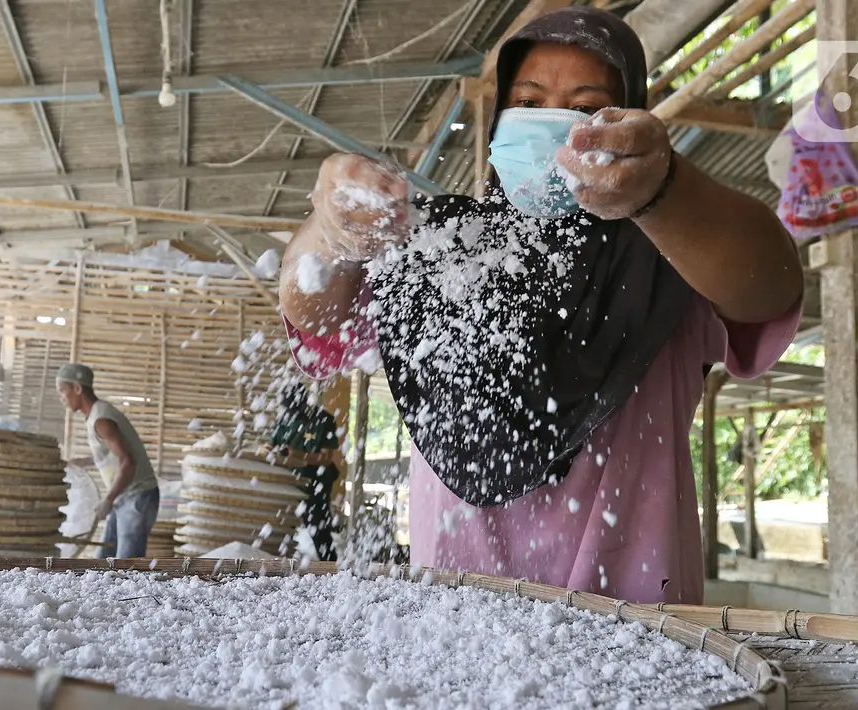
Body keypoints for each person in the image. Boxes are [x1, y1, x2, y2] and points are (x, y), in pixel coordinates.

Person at [278, 7, 803, 604]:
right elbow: (314, 314)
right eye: (528, 103)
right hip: (456, 625)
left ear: (629, 119)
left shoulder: (670, 259)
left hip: (637, 634)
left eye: (585, 110)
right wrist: (329, 228)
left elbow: (773, 282)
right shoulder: (442, 246)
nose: (553, 124)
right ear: (501, 120)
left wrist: (664, 194)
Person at [57, 363, 160, 558]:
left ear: (77, 389)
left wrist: (108, 500)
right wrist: (82, 462)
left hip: (137, 497)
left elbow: (128, 462)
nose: (61, 397)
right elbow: (111, 454)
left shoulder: (101, 420)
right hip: (124, 496)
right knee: (102, 561)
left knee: (127, 566)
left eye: (63, 391)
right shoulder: (95, 416)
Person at [261, 382, 341, 560]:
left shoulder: (323, 420)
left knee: (317, 527)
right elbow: (270, 445)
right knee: (283, 524)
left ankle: (330, 566)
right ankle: (279, 563)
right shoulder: (284, 420)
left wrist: (298, 455)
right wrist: (267, 451)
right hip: (289, 482)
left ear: (304, 402)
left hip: (316, 482)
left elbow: (327, 458)